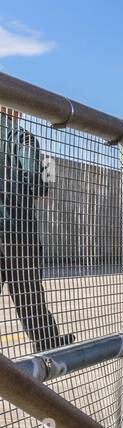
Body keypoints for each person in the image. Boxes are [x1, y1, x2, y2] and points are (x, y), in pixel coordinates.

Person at [0, 106, 70, 352]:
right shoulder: (21, 136)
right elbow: (38, 184)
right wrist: (46, 174)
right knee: (28, 295)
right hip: (16, 231)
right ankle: (49, 345)